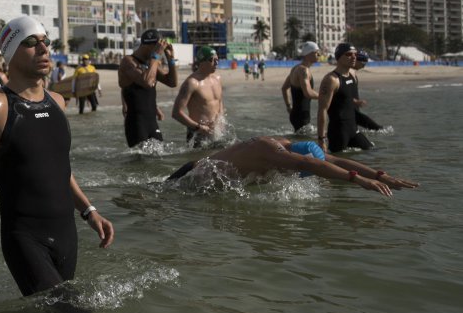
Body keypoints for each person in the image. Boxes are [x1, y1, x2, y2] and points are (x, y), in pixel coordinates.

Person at [0, 16, 114, 301]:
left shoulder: (58, 102)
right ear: (10, 52)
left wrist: (89, 210)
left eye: (45, 42)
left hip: (67, 234)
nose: (43, 49)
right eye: (30, 43)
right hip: (25, 238)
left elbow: (58, 170)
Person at [166, 136, 417, 198]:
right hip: (193, 177)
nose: (290, 174)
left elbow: (336, 160)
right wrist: (359, 181)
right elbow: (310, 163)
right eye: (293, 169)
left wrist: (380, 175)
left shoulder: (291, 148)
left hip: (210, 186)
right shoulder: (271, 150)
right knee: (157, 196)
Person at [118, 29, 178, 147]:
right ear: (147, 46)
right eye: (158, 47)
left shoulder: (151, 63)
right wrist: (155, 57)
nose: (160, 52)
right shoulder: (128, 62)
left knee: (158, 161)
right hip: (136, 123)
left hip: (152, 122)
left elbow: (172, 83)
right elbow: (147, 82)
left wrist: (171, 60)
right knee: (141, 162)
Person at [317, 43, 373, 153]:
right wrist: (321, 139)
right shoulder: (331, 80)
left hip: (354, 131)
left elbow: (344, 98)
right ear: (339, 57)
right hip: (338, 133)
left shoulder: (352, 75)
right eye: (348, 54)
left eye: (355, 54)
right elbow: (322, 110)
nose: (353, 57)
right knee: (338, 162)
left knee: (373, 153)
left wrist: (356, 102)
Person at [172, 45, 224, 146]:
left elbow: (220, 103)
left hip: (217, 133)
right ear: (202, 62)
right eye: (212, 60)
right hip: (198, 134)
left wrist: (220, 122)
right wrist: (198, 127)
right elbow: (177, 113)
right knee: (199, 161)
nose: (216, 63)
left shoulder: (218, 79)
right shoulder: (192, 83)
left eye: (217, 59)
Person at [281, 41, 320, 132]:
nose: (319, 54)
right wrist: (326, 96)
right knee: (306, 141)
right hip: (302, 117)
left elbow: (284, 88)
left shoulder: (295, 68)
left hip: (295, 114)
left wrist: (288, 106)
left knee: (299, 140)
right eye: (316, 52)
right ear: (308, 54)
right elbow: (308, 93)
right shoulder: (304, 71)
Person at [352, 51, 384, 131]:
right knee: (379, 129)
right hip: (351, 112)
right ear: (357, 60)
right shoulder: (347, 74)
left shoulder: (353, 74)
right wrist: (355, 101)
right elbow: (341, 94)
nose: (363, 67)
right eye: (363, 64)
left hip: (354, 112)